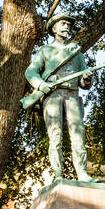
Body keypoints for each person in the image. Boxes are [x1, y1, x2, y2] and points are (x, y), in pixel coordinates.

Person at [25, 12, 97, 183]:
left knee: (78, 135)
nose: (67, 27)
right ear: (54, 28)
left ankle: (82, 173)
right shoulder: (45, 50)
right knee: (55, 135)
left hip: (72, 94)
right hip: (53, 95)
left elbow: (83, 80)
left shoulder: (76, 51)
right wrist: (41, 85)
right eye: (63, 24)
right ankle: (58, 174)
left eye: (68, 25)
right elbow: (31, 72)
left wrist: (86, 78)